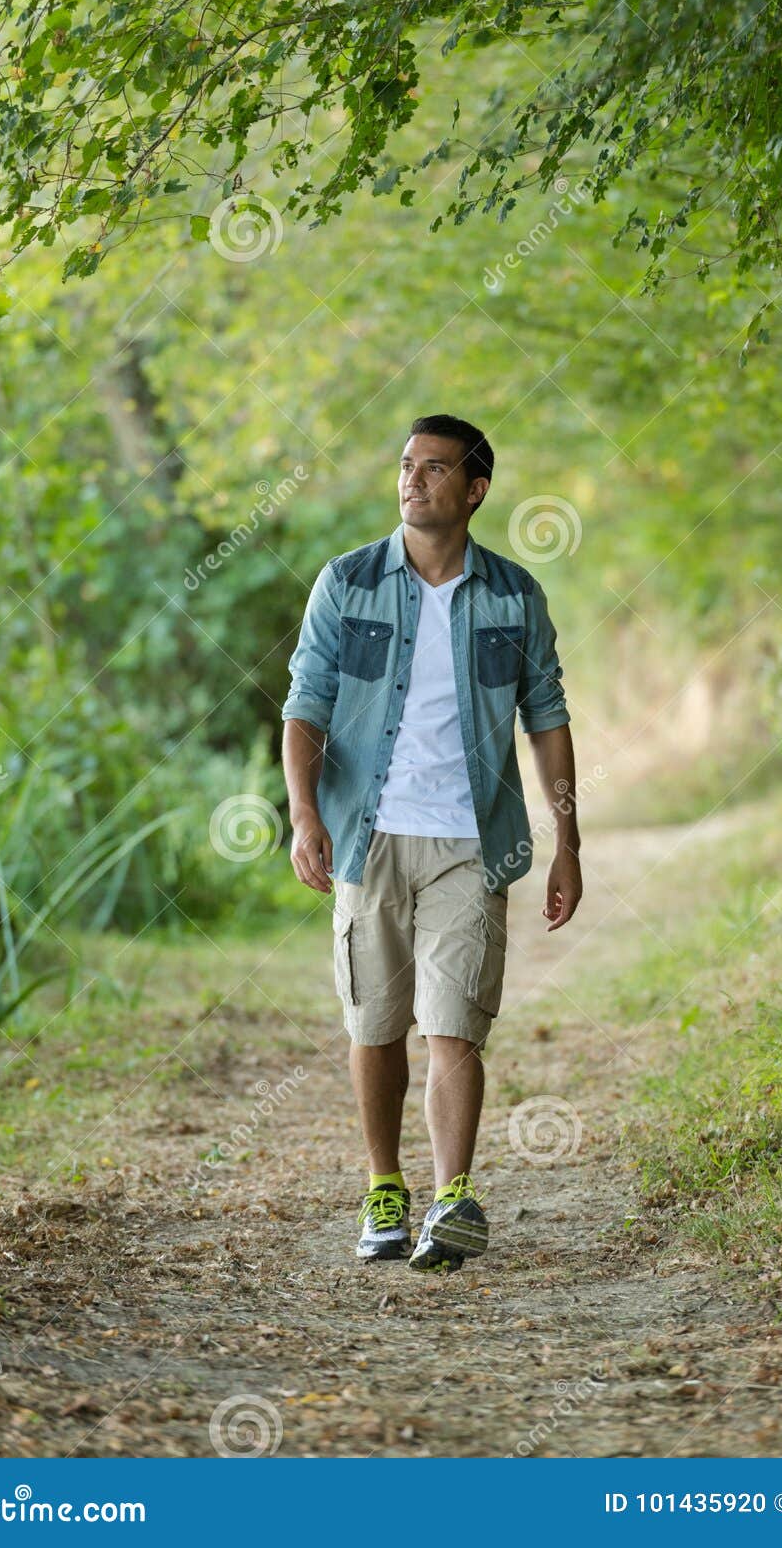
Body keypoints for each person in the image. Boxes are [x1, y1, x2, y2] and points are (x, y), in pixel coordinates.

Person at [280, 415, 582, 1271]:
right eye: (406, 465)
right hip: (366, 836)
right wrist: (305, 816)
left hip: (470, 842)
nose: (412, 480)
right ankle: (385, 1188)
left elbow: (548, 719)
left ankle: (452, 1197)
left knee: (454, 1027)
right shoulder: (346, 582)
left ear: (474, 489)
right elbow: (303, 707)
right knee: (374, 1025)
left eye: (434, 468)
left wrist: (568, 844)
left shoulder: (514, 595)